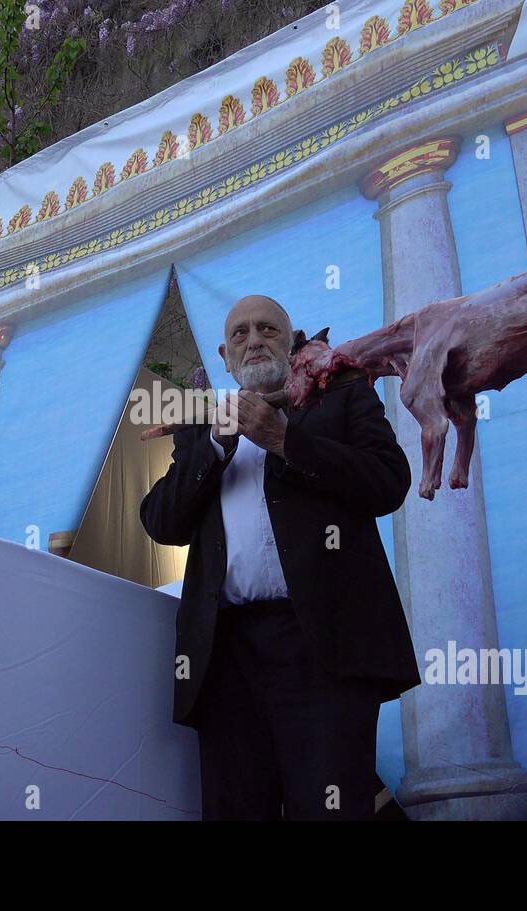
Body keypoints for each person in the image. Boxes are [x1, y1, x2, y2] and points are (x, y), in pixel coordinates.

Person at [139, 294, 422, 820]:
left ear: (292, 346)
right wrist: (215, 449)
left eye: (267, 329)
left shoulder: (340, 396)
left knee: (331, 806)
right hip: (225, 657)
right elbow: (161, 522)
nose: (254, 340)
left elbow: (388, 481)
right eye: (241, 333)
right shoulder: (202, 429)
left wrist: (284, 440)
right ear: (224, 356)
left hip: (323, 646)